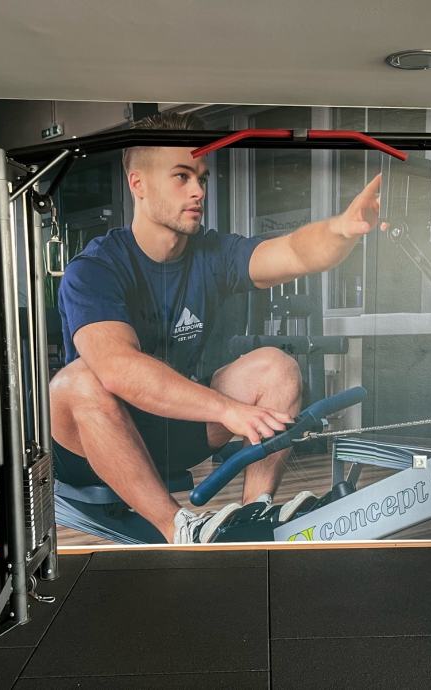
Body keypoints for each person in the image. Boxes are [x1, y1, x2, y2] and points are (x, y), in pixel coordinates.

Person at [49, 112, 384, 543]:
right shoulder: (96, 268)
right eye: (182, 177)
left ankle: (255, 512)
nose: (198, 191)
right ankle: (178, 528)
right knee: (78, 380)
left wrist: (340, 230)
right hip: (93, 447)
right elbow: (118, 370)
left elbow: (293, 253)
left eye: (202, 178)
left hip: (169, 434)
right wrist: (227, 410)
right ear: (138, 184)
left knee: (275, 367)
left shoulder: (211, 253)